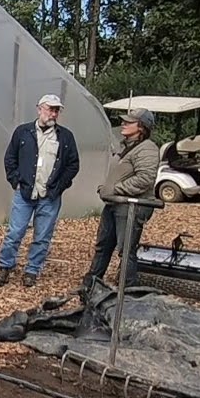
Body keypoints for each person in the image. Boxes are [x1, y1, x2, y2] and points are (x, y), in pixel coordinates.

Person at [0, 94, 80, 288]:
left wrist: (59, 186)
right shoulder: (23, 132)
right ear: (39, 109)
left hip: (49, 196)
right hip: (25, 193)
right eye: (49, 109)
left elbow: (73, 165)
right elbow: (10, 158)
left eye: (56, 110)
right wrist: (15, 180)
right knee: (15, 232)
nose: (53, 113)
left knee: (42, 236)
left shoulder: (65, 137)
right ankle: (5, 266)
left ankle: (32, 270)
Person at [84, 106, 159, 288]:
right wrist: (106, 188)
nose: (123, 124)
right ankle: (91, 284)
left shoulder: (147, 149)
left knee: (125, 250)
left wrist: (116, 189)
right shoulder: (126, 146)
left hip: (131, 206)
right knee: (103, 246)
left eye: (129, 122)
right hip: (114, 203)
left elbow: (145, 178)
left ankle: (128, 291)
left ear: (141, 127)